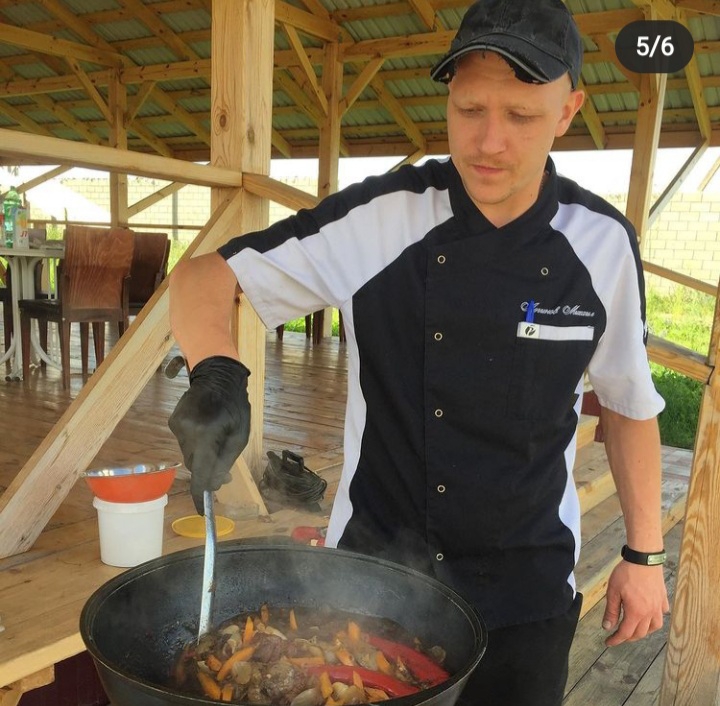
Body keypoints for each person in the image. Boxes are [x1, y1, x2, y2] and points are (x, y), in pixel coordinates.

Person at [168, 0, 669, 703]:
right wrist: (217, 373)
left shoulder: (600, 243)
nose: (488, 142)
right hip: (371, 590)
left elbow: (627, 403)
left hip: (525, 591)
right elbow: (202, 278)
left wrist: (644, 553)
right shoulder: (383, 218)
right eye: (469, 110)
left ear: (567, 110)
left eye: (521, 117)